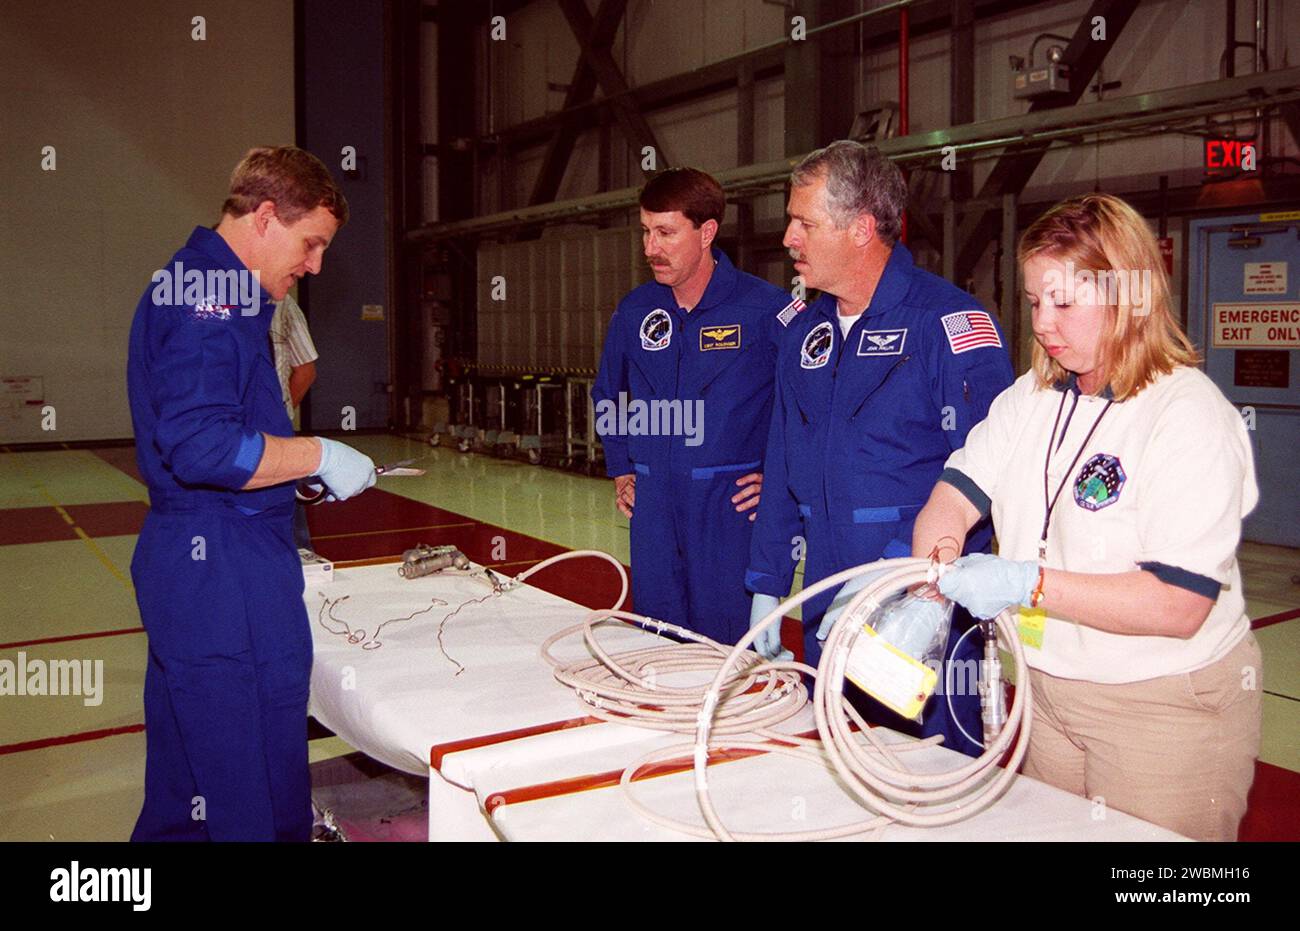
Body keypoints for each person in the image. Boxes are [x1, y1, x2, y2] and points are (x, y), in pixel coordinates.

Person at [917, 192, 1262, 840]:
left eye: (1065, 302)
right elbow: (954, 494)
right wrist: (934, 573)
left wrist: (1028, 584)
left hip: (1160, 705)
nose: (1044, 322)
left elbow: (1177, 602)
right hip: (1047, 694)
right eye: (1034, 300)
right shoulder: (1034, 396)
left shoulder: (1186, 416)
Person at [127, 146, 378, 841]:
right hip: (221, 572)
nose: (315, 265)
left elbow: (226, 433)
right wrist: (318, 451)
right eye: (311, 243)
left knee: (189, 780)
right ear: (267, 217)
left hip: (214, 554)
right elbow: (202, 445)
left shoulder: (222, 294)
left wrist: (292, 475)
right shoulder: (211, 296)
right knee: (251, 785)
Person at [745, 141, 1013, 754]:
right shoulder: (804, 333)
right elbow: (784, 459)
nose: (788, 238)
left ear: (862, 228)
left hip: (922, 601)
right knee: (842, 756)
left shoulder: (948, 325)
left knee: (928, 771)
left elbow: (987, 475)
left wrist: (901, 583)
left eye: (804, 223)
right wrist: (767, 579)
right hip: (825, 596)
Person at [592, 168, 796, 645]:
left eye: (665, 233)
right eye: (646, 232)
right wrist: (622, 466)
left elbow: (804, 407)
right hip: (654, 509)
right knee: (658, 643)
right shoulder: (636, 309)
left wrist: (778, 478)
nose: (650, 248)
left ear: (706, 232)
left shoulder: (766, 310)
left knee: (728, 652)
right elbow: (609, 393)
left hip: (727, 509)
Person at [269, 291, 320, 554]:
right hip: (235, 433)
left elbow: (306, 370)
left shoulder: (283, 303)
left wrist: (279, 414)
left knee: (293, 535)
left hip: (274, 430)